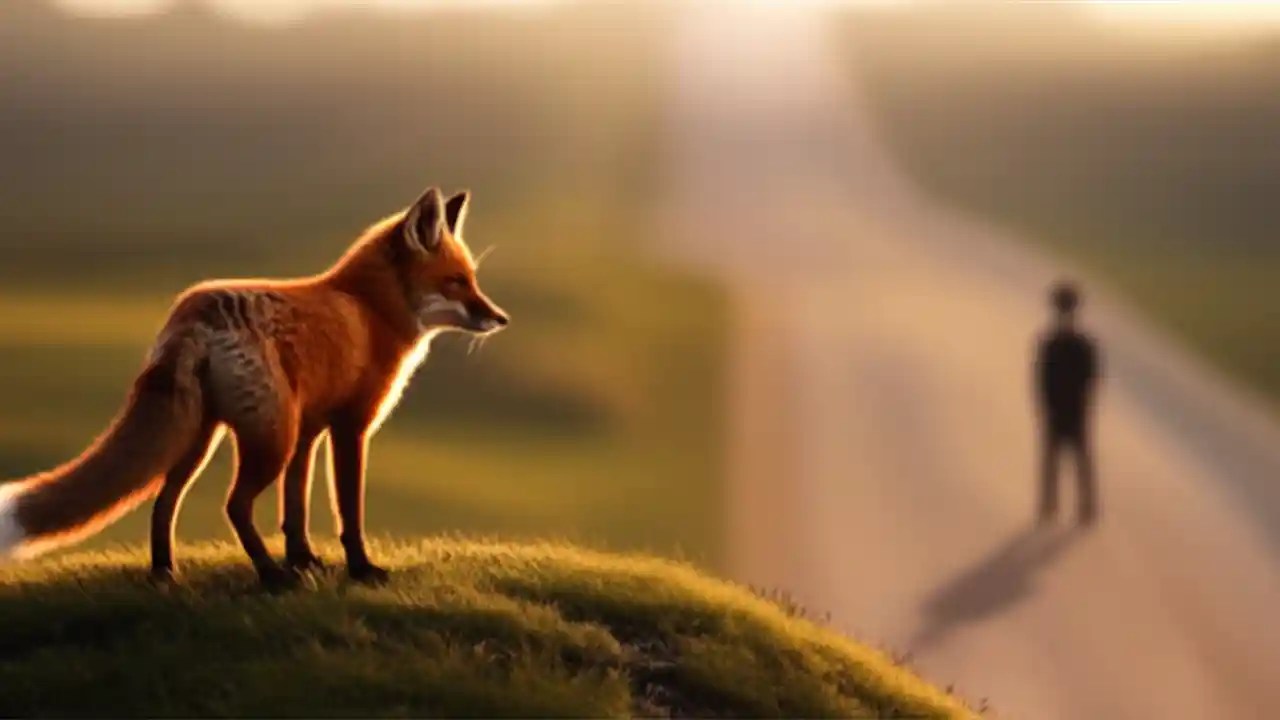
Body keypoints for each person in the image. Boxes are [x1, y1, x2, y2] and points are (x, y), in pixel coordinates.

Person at [1034, 281, 1100, 526]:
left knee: (1054, 457)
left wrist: (1045, 404)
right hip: (1075, 407)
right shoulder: (1082, 344)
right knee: (1079, 457)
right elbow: (1092, 377)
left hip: (1060, 407)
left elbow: (1041, 379)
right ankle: (1084, 506)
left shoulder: (1051, 344)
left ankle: (1051, 504)